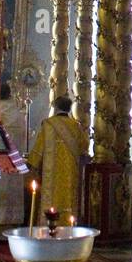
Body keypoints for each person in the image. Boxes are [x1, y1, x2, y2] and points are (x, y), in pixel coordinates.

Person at [27, 95, 89, 223]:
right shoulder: (75, 125)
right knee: (68, 198)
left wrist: (32, 163)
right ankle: (68, 224)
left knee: (52, 197)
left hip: (52, 173)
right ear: (69, 108)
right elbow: (84, 146)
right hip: (70, 171)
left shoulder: (48, 124)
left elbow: (39, 147)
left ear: (55, 107)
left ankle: (49, 223)